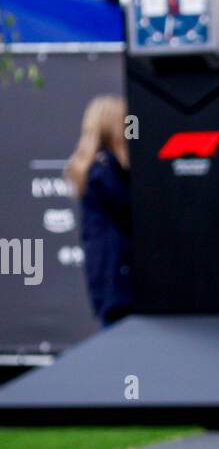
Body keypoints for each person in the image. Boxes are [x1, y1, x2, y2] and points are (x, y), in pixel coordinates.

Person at [66, 95, 133, 327]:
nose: (130, 129)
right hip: (119, 285)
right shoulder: (105, 172)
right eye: (126, 123)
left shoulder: (99, 169)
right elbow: (128, 211)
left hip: (112, 285)